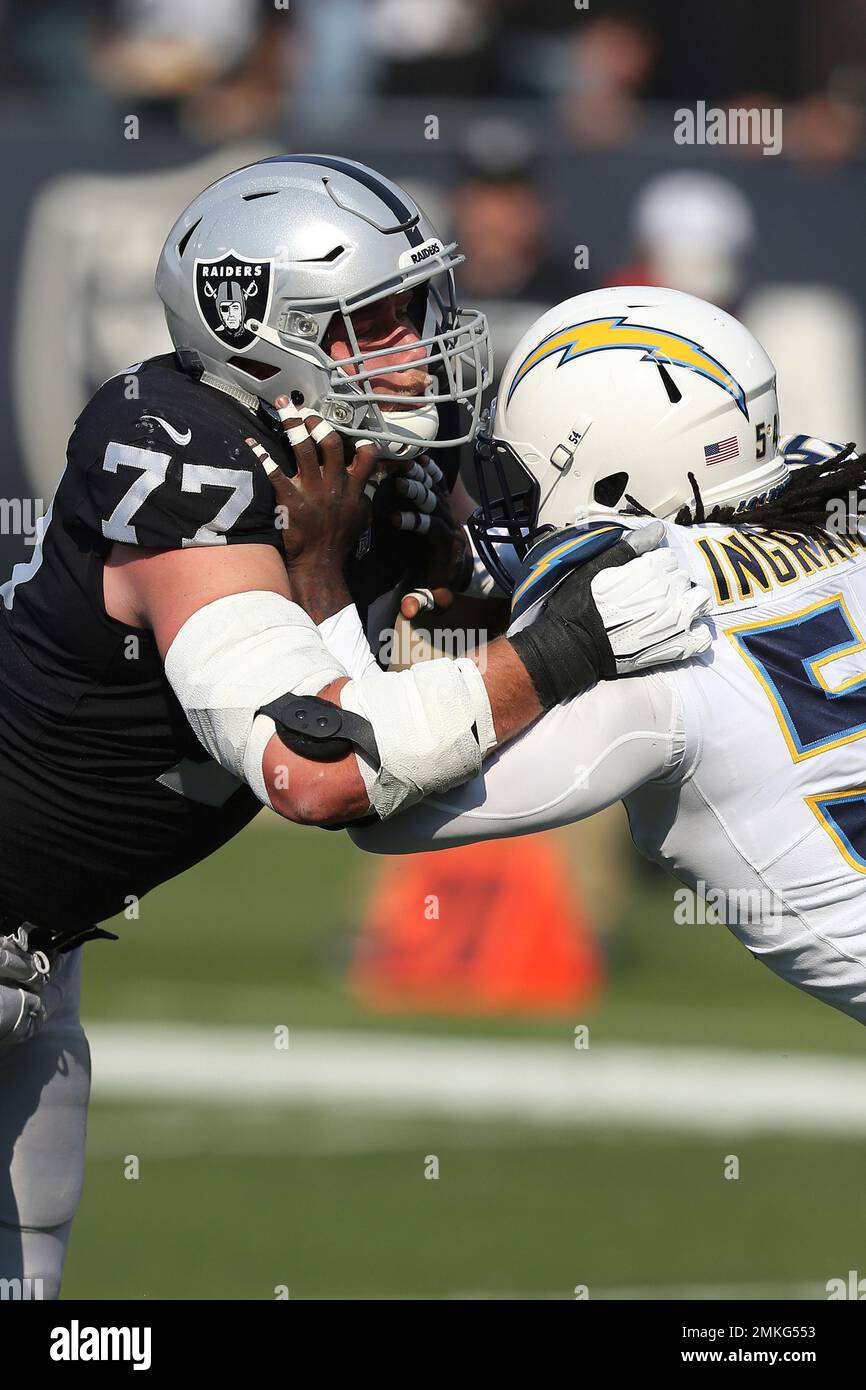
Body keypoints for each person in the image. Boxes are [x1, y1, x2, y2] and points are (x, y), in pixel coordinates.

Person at [0, 160, 711, 1298]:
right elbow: (315, 772)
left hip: (43, 931)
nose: (416, 343)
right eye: (374, 321)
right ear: (256, 333)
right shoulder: (180, 445)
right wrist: (569, 645)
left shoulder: (388, 461)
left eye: (419, 307)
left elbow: (569, 548)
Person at [352, 284, 866, 1032]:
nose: (514, 507)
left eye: (525, 480)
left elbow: (373, 798)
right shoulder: (831, 497)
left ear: (613, 475)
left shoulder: (650, 651)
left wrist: (326, 592)